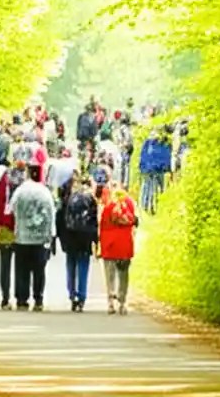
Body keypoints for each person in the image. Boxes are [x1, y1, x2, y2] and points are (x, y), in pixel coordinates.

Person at [5, 162, 57, 312]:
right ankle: (38, 299)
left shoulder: (20, 191)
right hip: (40, 238)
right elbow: (51, 214)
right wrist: (51, 236)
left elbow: (10, 210)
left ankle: (22, 299)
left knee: (22, 269)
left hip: (22, 237)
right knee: (39, 270)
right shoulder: (45, 192)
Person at [98, 183, 138, 315]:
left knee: (110, 276)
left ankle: (111, 302)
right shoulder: (129, 204)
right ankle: (122, 302)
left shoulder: (108, 205)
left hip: (110, 245)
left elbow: (102, 226)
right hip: (124, 245)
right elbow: (134, 223)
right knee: (123, 275)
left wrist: (100, 246)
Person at [0, 158, 27, 309]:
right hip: (21, 229)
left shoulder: (4, 179)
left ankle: (5, 298)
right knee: (21, 265)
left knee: (4, 265)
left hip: (5, 228)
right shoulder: (25, 182)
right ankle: (21, 299)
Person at [60, 177, 98, 312]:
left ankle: (72, 294)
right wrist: (96, 241)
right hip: (85, 238)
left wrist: (62, 240)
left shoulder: (68, 200)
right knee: (83, 267)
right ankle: (81, 296)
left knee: (71, 267)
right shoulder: (91, 200)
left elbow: (62, 220)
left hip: (70, 238)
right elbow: (95, 221)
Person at [138, 128, 172, 215]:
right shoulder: (150, 144)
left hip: (156, 170)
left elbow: (165, 157)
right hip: (152, 170)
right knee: (150, 188)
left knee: (155, 190)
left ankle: (152, 207)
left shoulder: (160, 144)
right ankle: (146, 207)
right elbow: (144, 156)